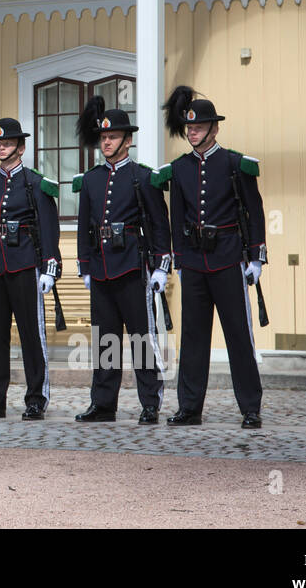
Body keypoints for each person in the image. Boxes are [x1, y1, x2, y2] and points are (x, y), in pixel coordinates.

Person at [161, 85, 266, 429]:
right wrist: (178, 257)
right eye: (189, 128)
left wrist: (256, 257)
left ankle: (250, 407)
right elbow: (176, 217)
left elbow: (254, 211)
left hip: (228, 257)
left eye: (199, 127)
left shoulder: (235, 164)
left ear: (214, 129)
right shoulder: (179, 169)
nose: (192, 133)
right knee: (193, 338)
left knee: (238, 335)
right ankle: (190, 407)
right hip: (193, 260)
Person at [72, 97, 170, 425]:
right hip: (101, 267)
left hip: (132, 265)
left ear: (128, 141)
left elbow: (158, 223)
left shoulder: (143, 177)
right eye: (103, 137)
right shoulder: (91, 179)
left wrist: (160, 266)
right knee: (106, 339)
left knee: (141, 339)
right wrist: (84, 265)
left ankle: (150, 401)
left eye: (113, 137)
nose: (107, 142)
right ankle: (103, 403)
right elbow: (85, 224)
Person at [0, 106, 61, 420]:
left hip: (24, 263)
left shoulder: (36, 184)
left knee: (32, 334)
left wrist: (50, 265)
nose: (1, 147)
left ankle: (36, 398)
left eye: (8, 144)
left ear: (21, 147)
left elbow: (48, 225)